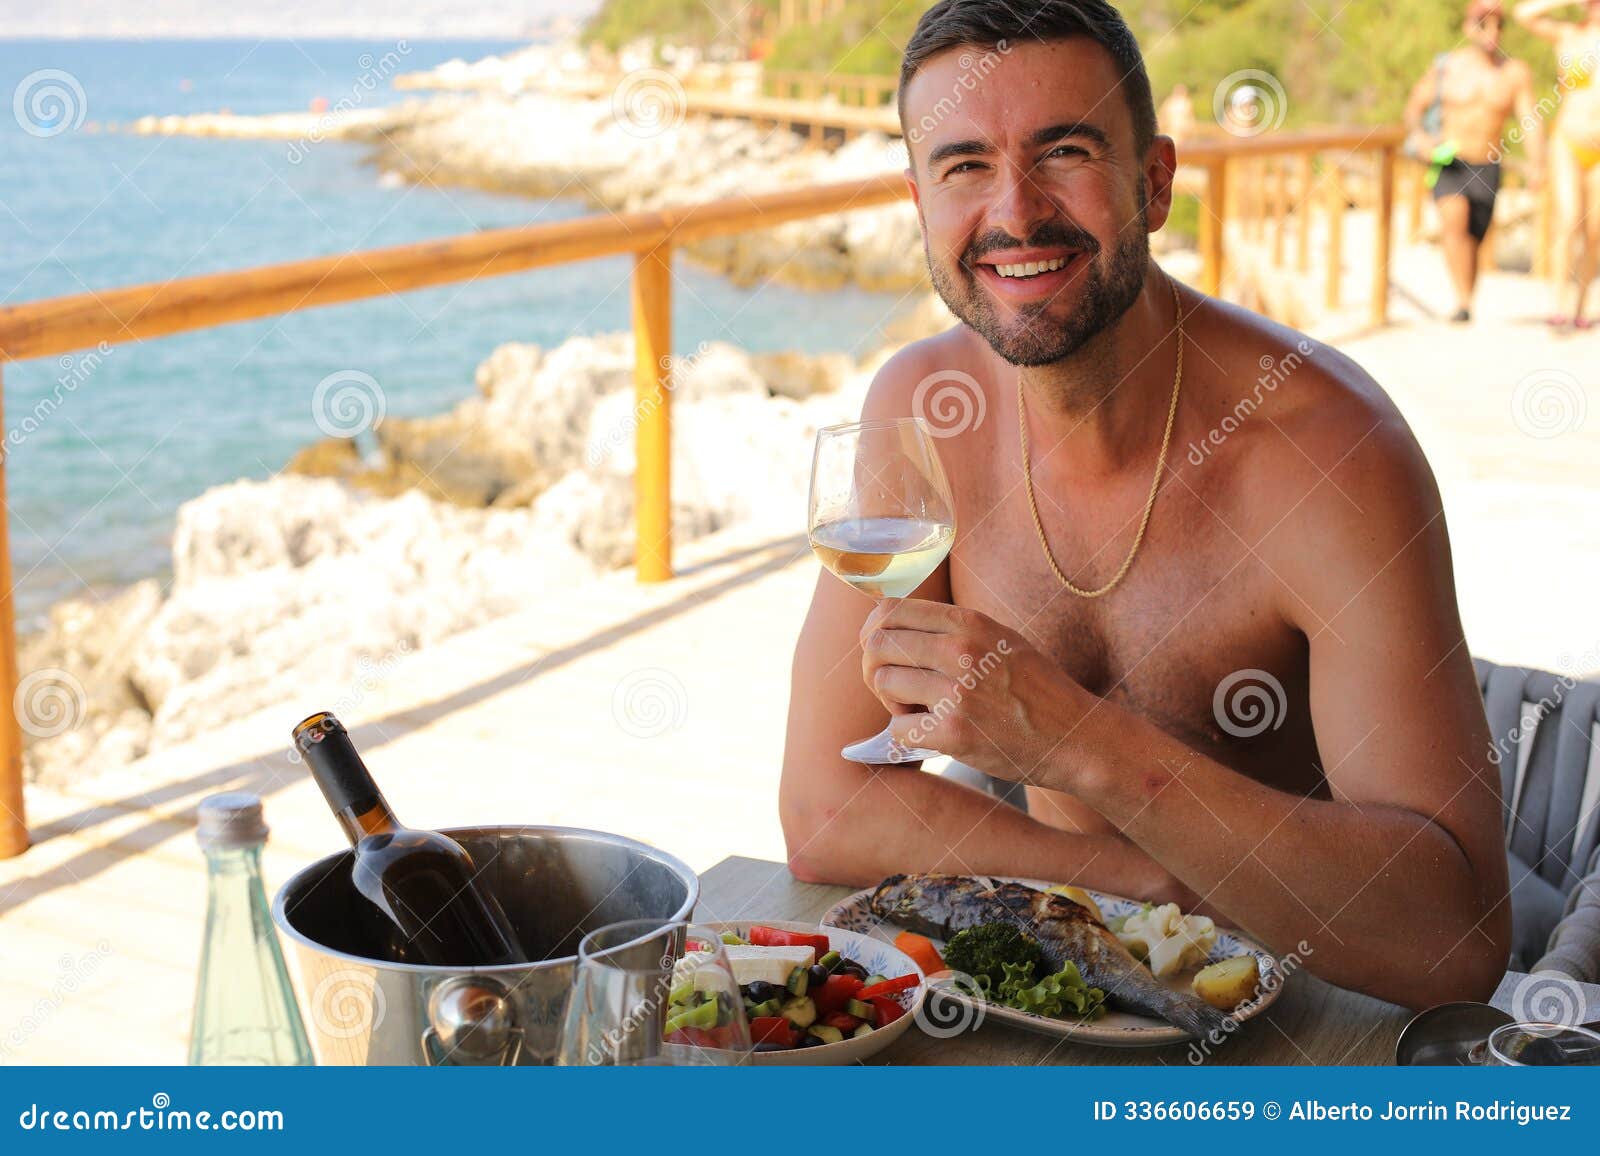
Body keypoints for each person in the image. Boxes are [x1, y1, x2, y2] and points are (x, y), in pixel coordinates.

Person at [780, 0, 1511, 1011]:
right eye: (963, 168)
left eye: (1064, 152)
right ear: (919, 202)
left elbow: (1453, 938)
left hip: (1324, 997)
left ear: (1154, 182)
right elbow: (823, 809)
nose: (1015, 212)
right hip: (1103, 981)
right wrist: (1145, 882)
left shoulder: (1328, 453)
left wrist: (1076, 744)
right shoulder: (923, 412)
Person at [1404, 0, 1543, 323]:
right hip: (1450, 160)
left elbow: (1530, 121)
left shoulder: (1513, 73)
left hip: (1487, 164)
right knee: (1454, 221)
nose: (1492, 31)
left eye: (1498, 24)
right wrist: (1422, 138)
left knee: (1475, 236)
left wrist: (1538, 163)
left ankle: (1467, 296)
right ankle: (1462, 302)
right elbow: (1413, 108)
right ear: (1469, 27)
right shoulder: (1447, 67)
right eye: (1484, 23)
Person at [1515, 0, 1600, 328]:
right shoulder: (1567, 35)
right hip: (1568, 139)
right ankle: (1559, 304)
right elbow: (1523, 14)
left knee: (1594, 232)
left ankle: (1581, 305)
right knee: (1568, 220)